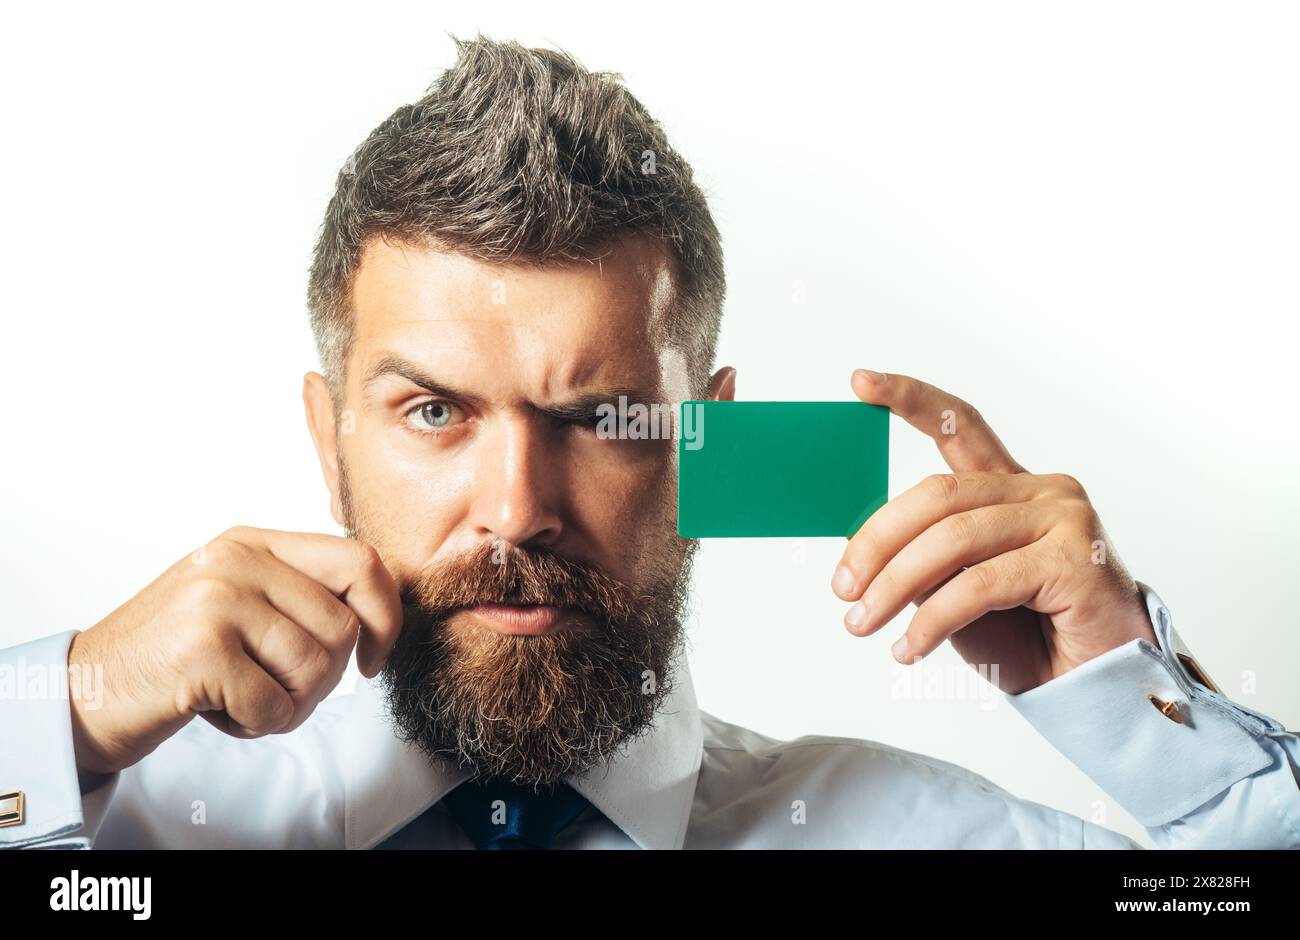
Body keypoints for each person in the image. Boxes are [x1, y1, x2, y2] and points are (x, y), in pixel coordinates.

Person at [2, 36, 1296, 850]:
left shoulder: (925, 840)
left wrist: (1138, 699)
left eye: (597, 420)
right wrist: (58, 713)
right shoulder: (125, 836)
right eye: (436, 411)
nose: (515, 509)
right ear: (327, 441)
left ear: (705, 451)